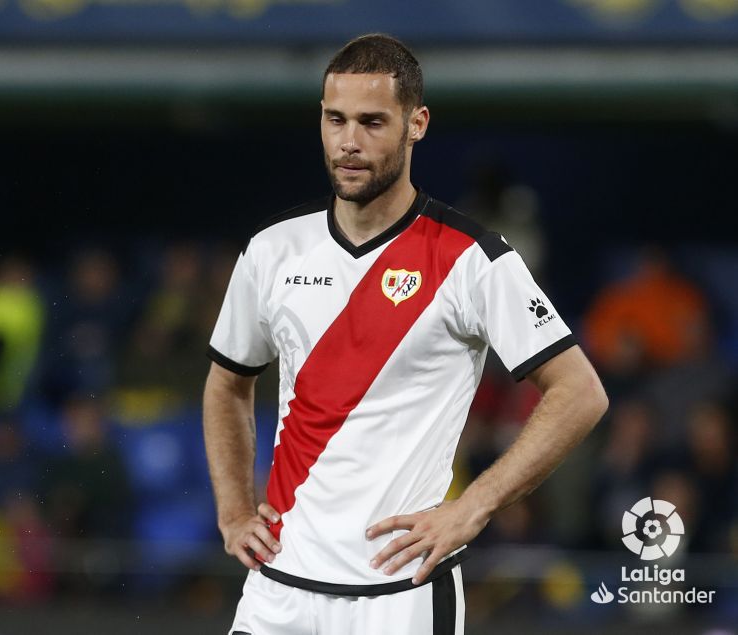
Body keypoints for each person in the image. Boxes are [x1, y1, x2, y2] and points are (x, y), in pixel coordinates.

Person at [203, 34, 608, 635]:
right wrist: (235, 511)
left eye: (372, 122)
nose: (349, 142)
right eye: (335, 120)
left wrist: (473, 508)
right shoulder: (272, 249)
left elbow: (580, 393)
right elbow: (227, 384)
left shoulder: (472, 258)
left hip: (401, 594)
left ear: (416, 124)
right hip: (278, 588)